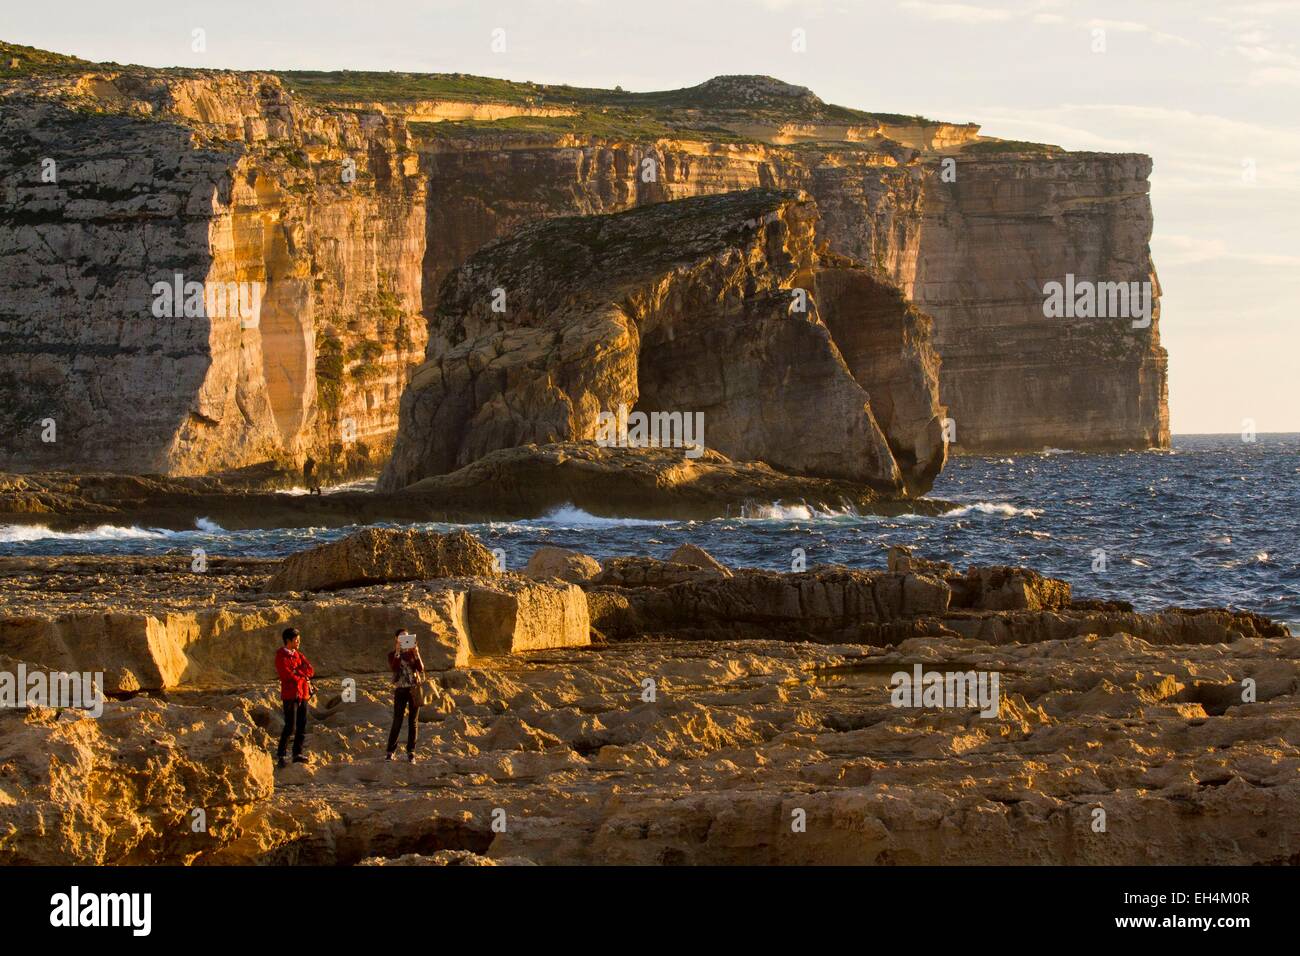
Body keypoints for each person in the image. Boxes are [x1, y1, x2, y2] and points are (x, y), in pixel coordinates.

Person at [274, 627, 315, 768]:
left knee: (302, 724)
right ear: (288, 640)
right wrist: (300, 675)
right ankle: (281, 755)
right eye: (296, 640)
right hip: (290, 694)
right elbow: (286, 675)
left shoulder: (298, 655)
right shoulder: (281, 656)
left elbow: (310, 670)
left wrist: (298, 673)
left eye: (299, 640)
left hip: (303, 693)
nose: (298, 643)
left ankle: (297, 753)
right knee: (290, 725)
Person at [386, 628, 425, 762]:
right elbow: (394, 668)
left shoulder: (413, 653)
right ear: (396, 639)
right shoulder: (392, 654)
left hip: (414, 689)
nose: (404, 639)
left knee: (413, 722)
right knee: (397, 720)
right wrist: (398, 651)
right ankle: (390, 752)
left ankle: (411, 752)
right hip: (400, 690)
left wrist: (417, 653)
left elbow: (421, 668)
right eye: (401, 637)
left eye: (407, 637)